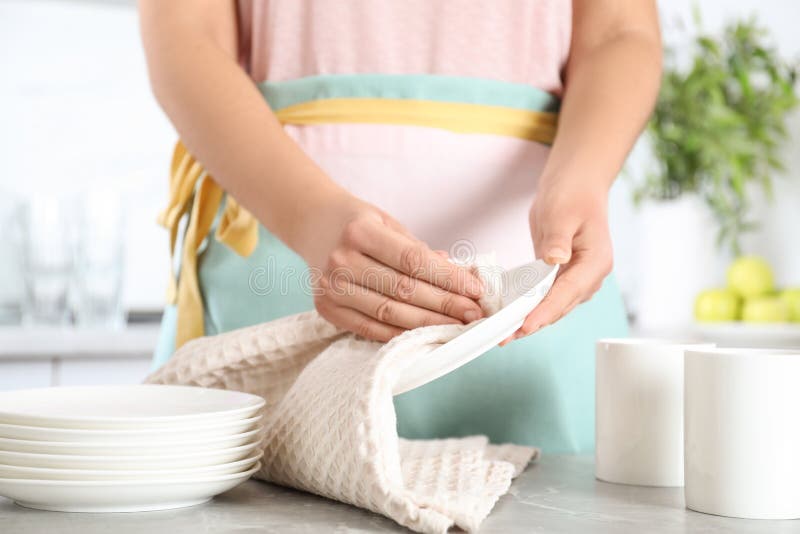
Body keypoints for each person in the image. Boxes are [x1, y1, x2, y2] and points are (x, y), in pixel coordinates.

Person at [140, 0, 661, 453]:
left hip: (538, 315)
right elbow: (187, 32)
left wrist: (581, 176)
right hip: (280, 267)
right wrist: (313, 219)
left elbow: (621, 32)